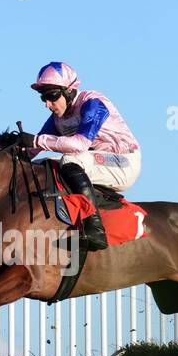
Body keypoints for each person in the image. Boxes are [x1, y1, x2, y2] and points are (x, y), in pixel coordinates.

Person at [15, 62, 141, 251]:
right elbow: (33, 150)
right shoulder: (58, 116)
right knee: (42, 165)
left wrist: (35, 141)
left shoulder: (92, 104)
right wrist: (12, 147)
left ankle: (95, 228)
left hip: (123, 162)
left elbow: (80, 144)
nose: (48, 104)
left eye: (52, 96)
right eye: (44, 98)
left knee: (70, 159)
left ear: (69, 91)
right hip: (93, 161)